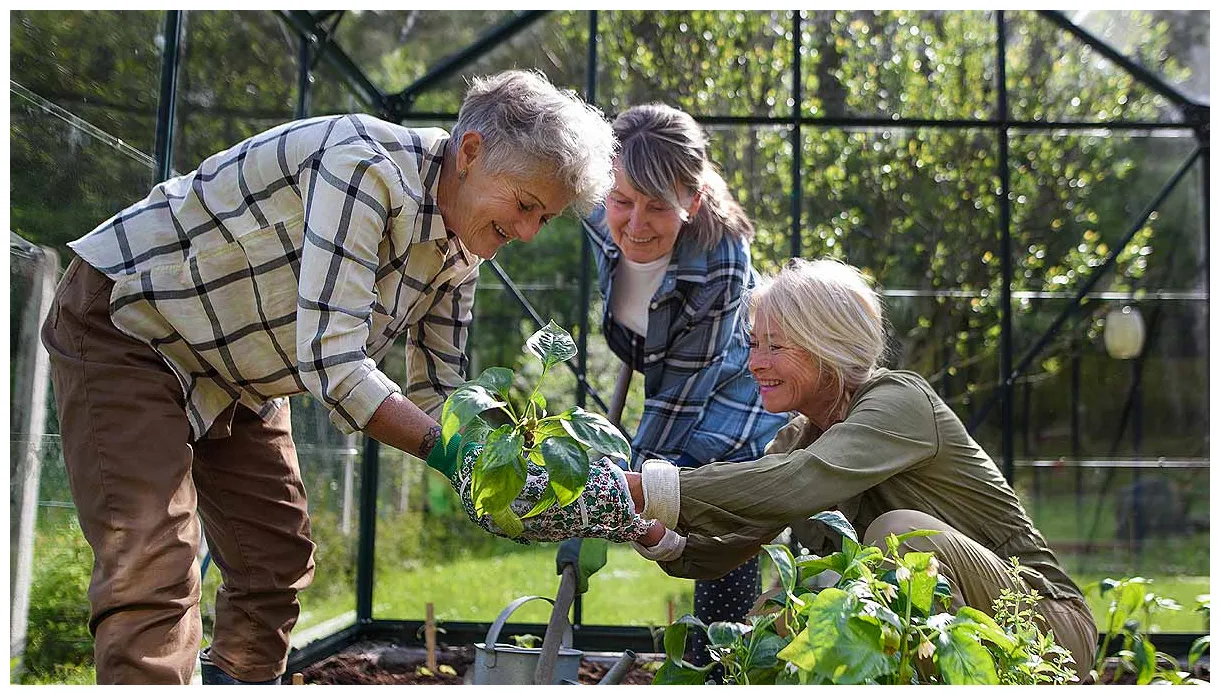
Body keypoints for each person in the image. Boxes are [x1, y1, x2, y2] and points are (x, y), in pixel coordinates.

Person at [40, 69, 616, 685]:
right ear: (470, 152)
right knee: (152, 564)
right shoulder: (365, 168)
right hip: (135, 323)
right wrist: (456, 457)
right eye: (525, 205)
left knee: (274, 560)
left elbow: (441, 395)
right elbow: (334, 364)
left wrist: (520, 464)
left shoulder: (463, 248)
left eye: (545, 219)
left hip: (242, 369)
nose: (527, 231)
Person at [623, 258, 1098, 680]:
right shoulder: (795, 440)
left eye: (776, 347)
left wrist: (652, 486)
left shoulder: (901, 402)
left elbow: (800, 481)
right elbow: (734, 539)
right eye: (753, 345)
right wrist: (645, 527)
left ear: (828, 347)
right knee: (780, 610)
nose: (756, 364)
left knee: (901, 534)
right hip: (941, 630)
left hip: (1044, 631)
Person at [580, 103, 787, 667]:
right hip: (657, 362)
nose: (636, 224)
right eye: (621, 201)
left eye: (658, 207)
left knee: (716, 514)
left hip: (732, 392)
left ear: (692, 203)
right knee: (664, 498)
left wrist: (624, 493)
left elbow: (681, 396)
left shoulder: (719, 257)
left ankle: (713, 664)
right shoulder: (597, 205)